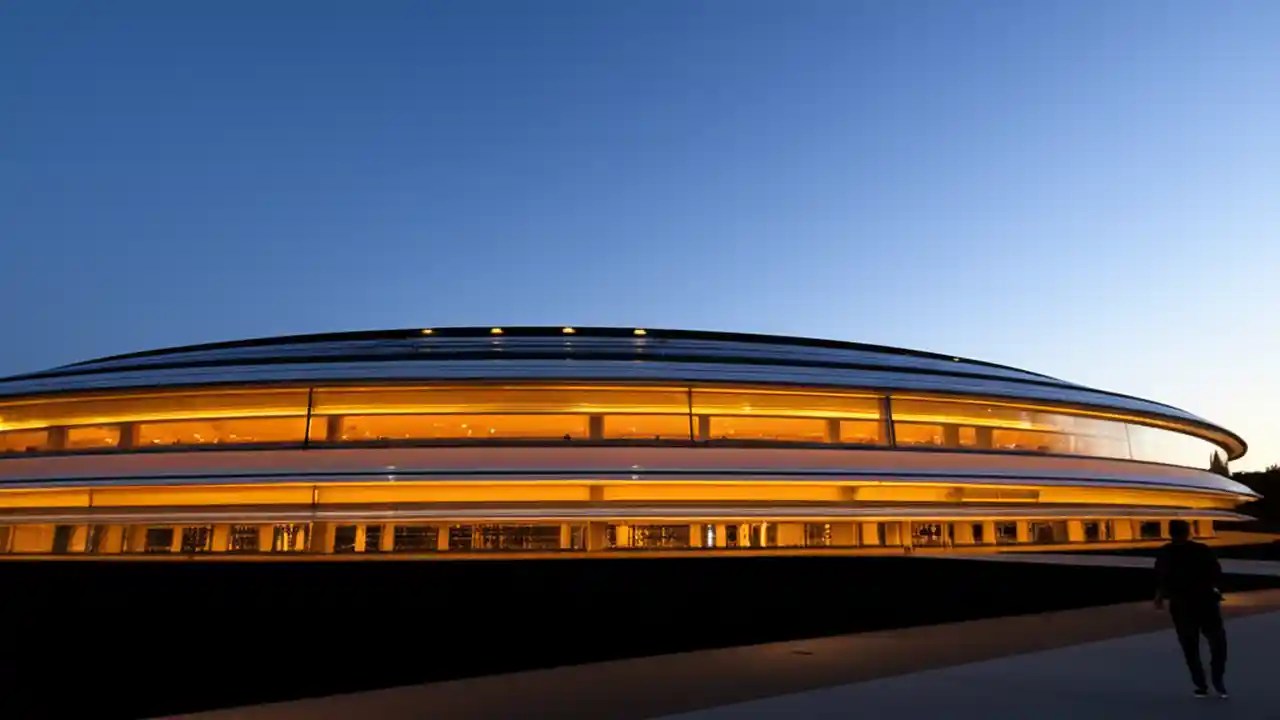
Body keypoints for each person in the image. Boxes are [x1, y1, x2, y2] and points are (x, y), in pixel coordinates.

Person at [1154, 519, 1228, 698]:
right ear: (1188, 532)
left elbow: (1161, 576)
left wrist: (1160, 595)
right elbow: (1216, 572)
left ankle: (1201, 684)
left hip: (1182, 604)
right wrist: (1215, 588)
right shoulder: (1201, 549)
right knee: (1217, 642)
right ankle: (1217, 680)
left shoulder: (1165, 552)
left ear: (1170, 533)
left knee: (1190, 646)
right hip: (1205, 601)